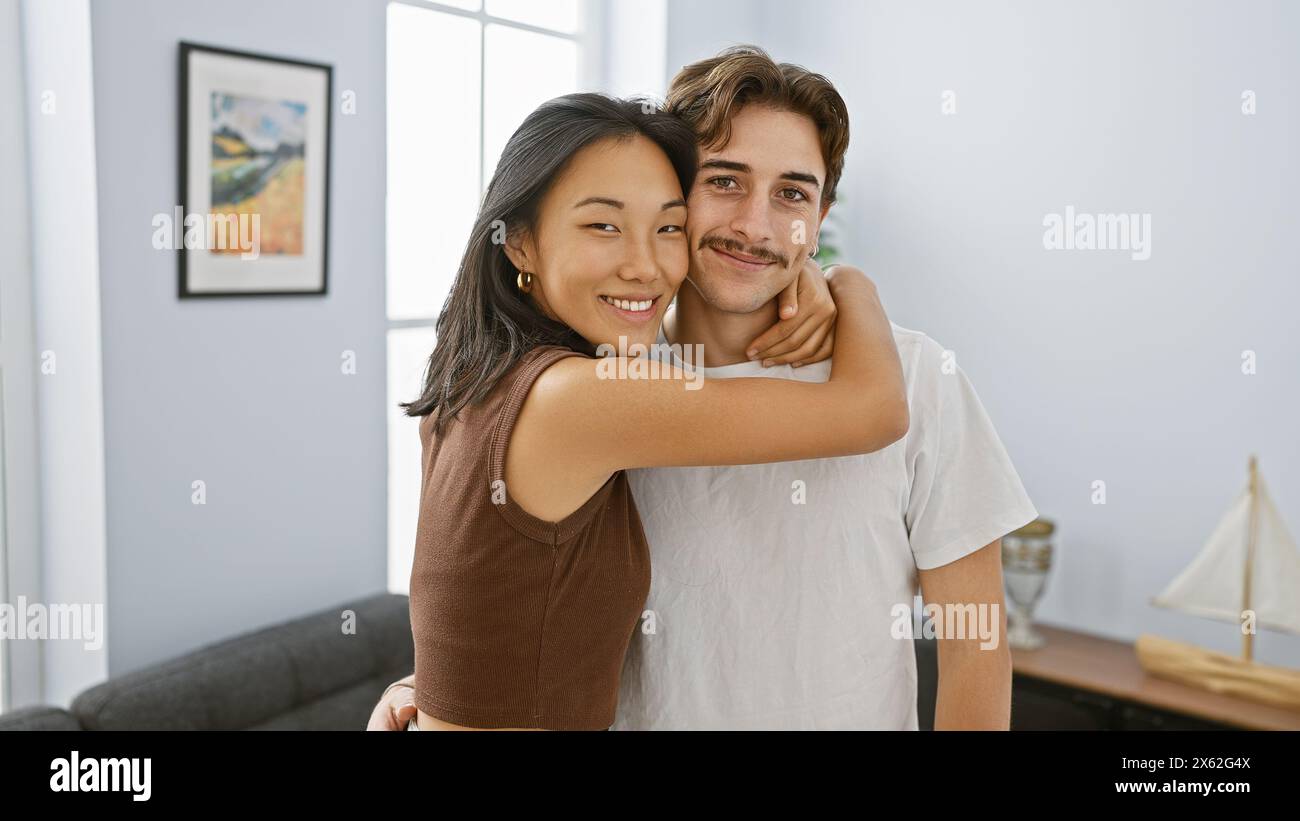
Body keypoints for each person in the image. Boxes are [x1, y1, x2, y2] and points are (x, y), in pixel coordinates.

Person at [394, 91, 907, 730]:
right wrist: (850, 281)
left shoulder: (468, 384)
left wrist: (423, 687)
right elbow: (873, 411)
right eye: (603, 225)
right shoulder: (577, 399)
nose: (644, 267)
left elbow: (481, 611)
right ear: (519, 242)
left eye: (667, 227)